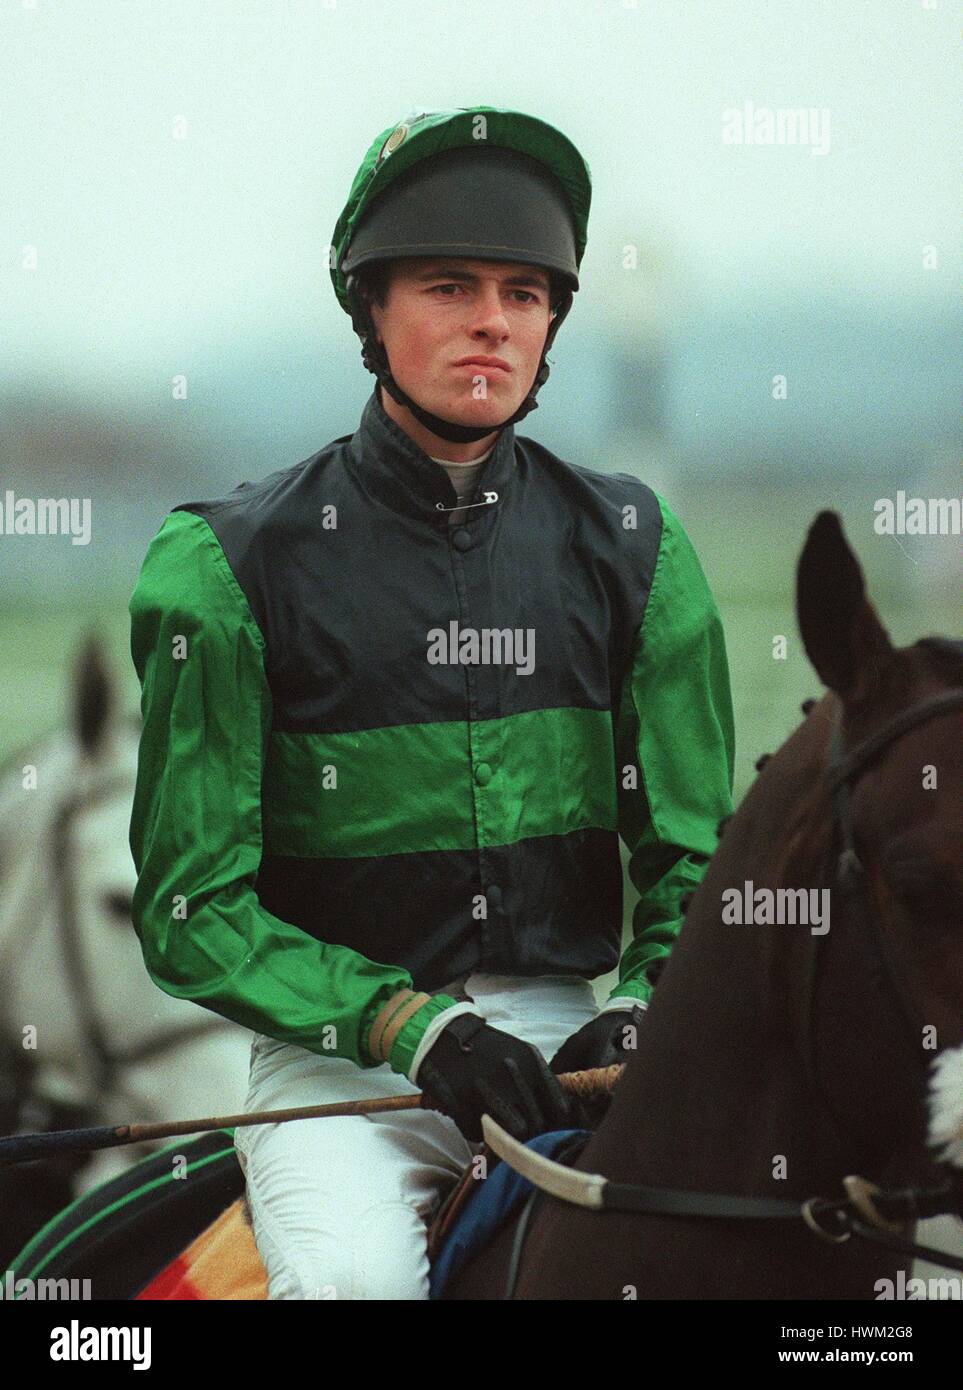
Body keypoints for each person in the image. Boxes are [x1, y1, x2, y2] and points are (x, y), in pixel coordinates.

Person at [127, 106, 735, 1300]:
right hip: (345, 1073)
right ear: (371, 310)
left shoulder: (640, 550)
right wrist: (412, 1025)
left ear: (556, 319)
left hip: (582, 1039)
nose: (492, 324)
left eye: (524, 292)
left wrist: (647, 1009)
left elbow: (700, 855)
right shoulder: (224, 565)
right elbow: (190, 908)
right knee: (355, 1285)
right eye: (450, 287)